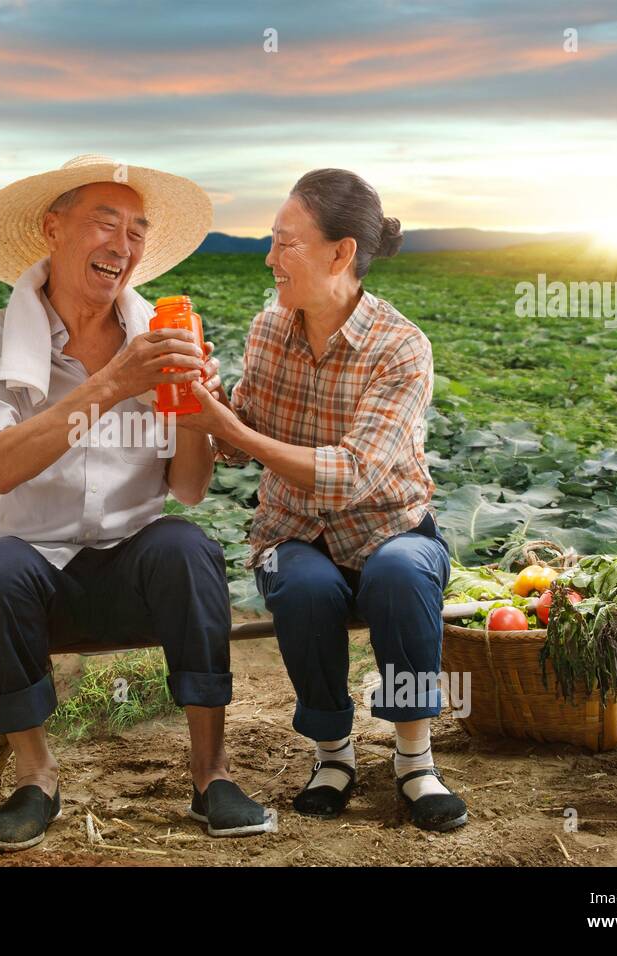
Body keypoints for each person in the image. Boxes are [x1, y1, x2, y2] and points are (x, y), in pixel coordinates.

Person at [0, 154, 276, 851]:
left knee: (189, 545)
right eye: (106, 224)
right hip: (35, 574)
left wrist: (198, 410)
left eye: (137, 231)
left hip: (135, 567)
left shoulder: (160, 336)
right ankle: (37, 778)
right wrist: (112, 380)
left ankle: (211, 775)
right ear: (53, 228)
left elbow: (188, 490)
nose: (123, 246)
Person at [173, 168, 467, 832]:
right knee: (301, 586)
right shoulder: (268, 329)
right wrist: (207, 399)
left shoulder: (401, 348)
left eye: (285, 242)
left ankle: (414, 760)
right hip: (291, 532)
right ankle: (333, 754)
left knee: (400, 574)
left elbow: (356, 473)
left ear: (340, 254)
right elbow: (242, 440)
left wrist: (232, 427)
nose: (270, 258)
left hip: (393, 527)